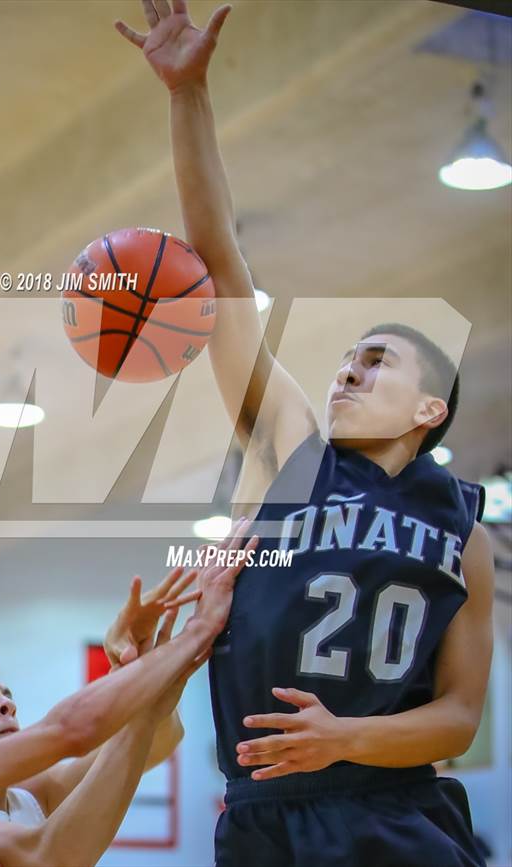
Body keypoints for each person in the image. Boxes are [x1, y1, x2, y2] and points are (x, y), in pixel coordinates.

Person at [115, 3, 495, 866]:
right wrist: (188, 95)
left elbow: (462, 717)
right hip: (260, 815)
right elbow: (219, 267)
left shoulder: (464, 528)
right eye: (346, 359)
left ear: (429, 409)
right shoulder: (294, 449)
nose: (347, 372)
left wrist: (348, 736)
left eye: (378, 361)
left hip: (392, 808)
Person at [0, 522, 258, 867]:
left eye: (4, 693)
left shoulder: (31, 795)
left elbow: (161, 740)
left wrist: (139, 672)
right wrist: (181, 645)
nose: (7, 704)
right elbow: (50, 853)